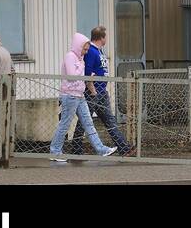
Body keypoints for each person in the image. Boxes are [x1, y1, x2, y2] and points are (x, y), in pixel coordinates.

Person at [49, 32, 117, 163]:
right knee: (65, 124)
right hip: (70, 96)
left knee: (88, 123)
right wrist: (83, 70)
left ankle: (101, 149)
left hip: (79, 96)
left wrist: (84, 72)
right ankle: (55, 151)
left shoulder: (79, 59)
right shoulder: (71, 57)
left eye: (86, 49)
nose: (86, 52)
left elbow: (79, 76)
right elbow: (71, 76)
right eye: (84, 49)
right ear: (78, 46)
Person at [71, 25, 133, 155]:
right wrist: (92, 89)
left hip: (102, 91)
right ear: (101, 37)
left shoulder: (99, 51)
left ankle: (123, 147)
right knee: (84, 120)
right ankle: (76, 149)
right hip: (93, 92)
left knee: (109, 120)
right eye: (105, 36)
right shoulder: (92, 52)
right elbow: (88, 72)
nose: (106, 39)